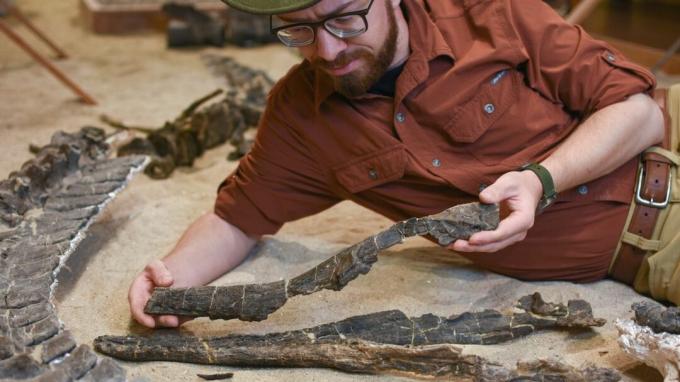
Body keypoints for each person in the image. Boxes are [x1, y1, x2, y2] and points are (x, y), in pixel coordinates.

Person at [129, 0, 678, 328]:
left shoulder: (486, 12)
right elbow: (235, 218)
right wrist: (172, 278)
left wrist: (542, 179)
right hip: (651, 235)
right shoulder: (301, 115)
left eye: (343, 18)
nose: (326, 50)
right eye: (298, 29)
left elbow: (641, 112)